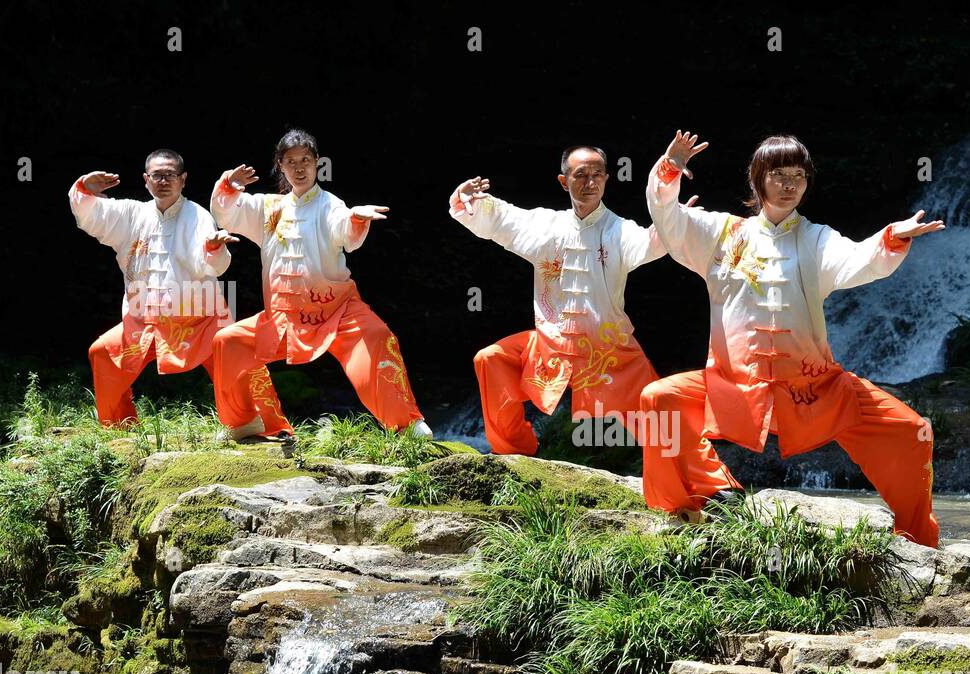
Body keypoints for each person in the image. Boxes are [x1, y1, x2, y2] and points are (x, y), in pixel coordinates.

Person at [641, 130, 943, 547]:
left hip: (816, 388)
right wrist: (671, 167)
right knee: (659, 400)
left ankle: (918, 540)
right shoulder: (721, 234)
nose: (789, 185)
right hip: (734, 385)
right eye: (778, 175)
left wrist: (891, 237)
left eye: (798, 176)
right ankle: (710, 497)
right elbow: (668, 217)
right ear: (758, 179)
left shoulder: (818, 239)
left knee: (911, 432)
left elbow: (858, 259)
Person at [210, 129, 430, 440]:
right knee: (228, 341)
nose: (299, 169)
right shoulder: (267, 207)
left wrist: (356, 219)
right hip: (283, 318)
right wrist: (230, 187)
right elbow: (227, 213)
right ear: (280, 166)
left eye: (305, 161)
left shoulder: (330, 204)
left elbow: (343, 229)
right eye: (290, 162)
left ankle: (406, 423)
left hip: (337, 311)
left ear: (317, 163)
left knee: (377, 334)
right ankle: (247, 421)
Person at [449, 146, 670, 455]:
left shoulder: (620, 231)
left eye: (596, 175)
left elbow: (651, 242)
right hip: (549, 345)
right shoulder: (545, 226)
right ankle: (514, 452)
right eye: (580, 175)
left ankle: (707, 481)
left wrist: (675, 223)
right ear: (564, 182)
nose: (589, 182)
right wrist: (469, 200)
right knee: (491, 359)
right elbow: (502, 219)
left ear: (606, 179)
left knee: (659, 412)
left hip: (607, 349)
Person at [70, 149, 257, 427]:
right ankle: (118, 424)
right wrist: (85, 189)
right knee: (103, 353)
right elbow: (91, 216)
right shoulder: (130, 213)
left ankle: (251, 424)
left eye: (170, 175)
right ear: (146, 180)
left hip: (199, 319)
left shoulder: (198, 216)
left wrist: (213, 250)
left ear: (183, 179)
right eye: (157, 175)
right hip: (144, 321)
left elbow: (212, 265)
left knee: (233, 354)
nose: (163, 181)